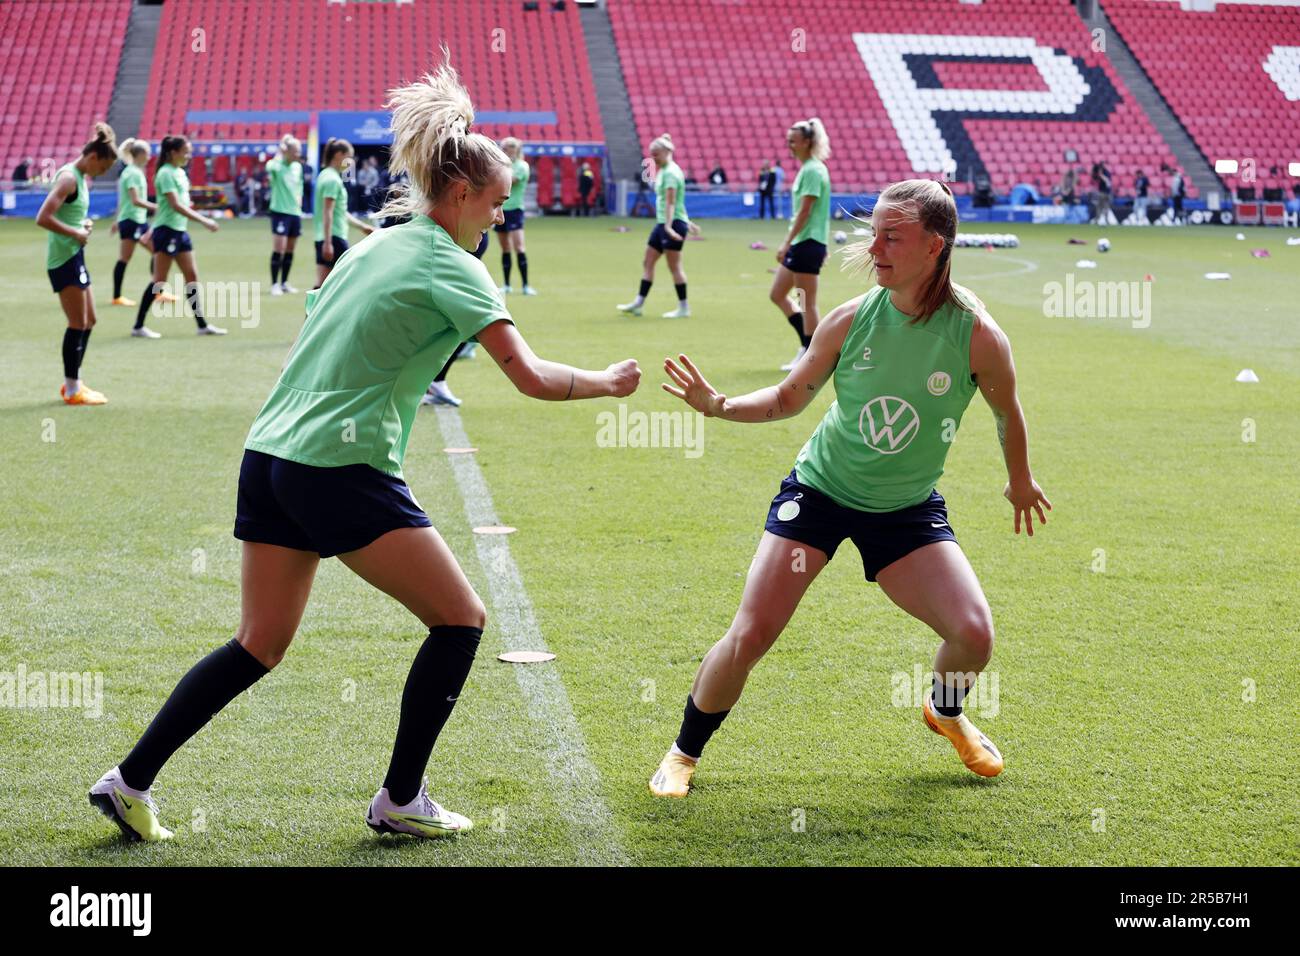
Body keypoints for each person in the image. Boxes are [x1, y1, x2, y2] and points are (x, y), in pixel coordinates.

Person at [89, 57, 641, 843]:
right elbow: (533, 378)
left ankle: (129, 778)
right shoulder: (457, 266)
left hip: (271, 457)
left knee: (258, 643)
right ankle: (401, 799)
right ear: (459, 193)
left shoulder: (369, 246)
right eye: (494, 202)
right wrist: (607, 382)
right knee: (461, 620)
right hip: (338, 469)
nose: (499, 216)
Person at [648, 178, 1052, 798]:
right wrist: (720, 404)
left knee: (973, 634)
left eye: (892, 236)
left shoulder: (976, 335)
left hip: (904, 511)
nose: (875, 248)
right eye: (874, 234)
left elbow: (1008, 411)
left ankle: (944, 712)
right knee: (753, 632)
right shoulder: (850, 320)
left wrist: (1019, 479)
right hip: (819, 494)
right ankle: (683, 752)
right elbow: (788, 398)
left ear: (934, 246)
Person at [34, 123, 119, 405]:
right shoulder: (69, 178)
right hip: (64, 259)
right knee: (77, 322)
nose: (103, 173)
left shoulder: (80, 178)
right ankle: (72, 389)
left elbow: (68, 215)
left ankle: (75, 382)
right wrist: (76, 233)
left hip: (74, 256)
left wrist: (81, 225)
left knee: (90, 319)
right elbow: (42, 217)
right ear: (94, 157)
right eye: (104, 168)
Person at [130, 134, 226, 338]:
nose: (188, 155)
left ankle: (202, 325)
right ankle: (138, 326)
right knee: (159, 281)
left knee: (191, 277)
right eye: (185, 151)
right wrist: (204, 220)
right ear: (173, 153)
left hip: (179, 232)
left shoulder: (179, 173)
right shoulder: (165, 174)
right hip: (167, 232)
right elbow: (175, 205)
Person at [616, 133, 699, 319]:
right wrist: (687, 221)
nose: (653, 158)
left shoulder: (670, 174)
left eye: (656, 154)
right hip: (665, 223)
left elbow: (671, 203)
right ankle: (638, 303)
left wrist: (671, 227)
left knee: (675, 267)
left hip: (671, 225)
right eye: (651, 154)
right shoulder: (665, 170)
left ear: (667, 151)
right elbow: (678, 203)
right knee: (648, 261)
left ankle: (684, 307)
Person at [771, 118, 832, 371]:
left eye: (793, 140)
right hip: (803, 243)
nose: (789, 144)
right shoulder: (809, 168)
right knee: (777, 294)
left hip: (806, 244)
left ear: (808, 142)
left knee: (807, 302)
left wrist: (786, 243)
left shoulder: (812, 170)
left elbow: (806, 211)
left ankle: (813, 356)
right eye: (788, 140)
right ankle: (806, 347)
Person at [312, 137, 375, 289]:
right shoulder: (332, 180)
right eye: (349, 156)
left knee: (321, 287)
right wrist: (328, 243)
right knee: (352, 280)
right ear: (339, 155)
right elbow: (328, 212)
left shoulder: (325, 175)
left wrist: (362, 227)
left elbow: (339, 211)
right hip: (334, 238)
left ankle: (313, 313)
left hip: (325, 237)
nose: (351, 161)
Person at [109, 137, 158, 307]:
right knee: (157, 251)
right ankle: (157, 292)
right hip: (134, 220)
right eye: (148, 153)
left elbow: (124, 201)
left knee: (125, 258)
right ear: (141, 154)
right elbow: (135, 200)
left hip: (132, 220)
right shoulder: (132, 173)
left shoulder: (132, 172)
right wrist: (159, 207)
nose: (150, 156)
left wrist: (117, 220)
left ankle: (117, 296)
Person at [496, 137, 535, 295]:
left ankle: (525, 285)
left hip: (515, 210)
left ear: (516, 150)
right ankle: (507, 285)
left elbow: (511, 181)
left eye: (510, 148)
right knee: (505, 248)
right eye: (505, 148)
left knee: (519, 247)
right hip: (500, 209)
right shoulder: (501, 167)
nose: (507, 151)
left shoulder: (521, 166)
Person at [266, 134, 305, 295]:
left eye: (299, 151)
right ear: (287, 151)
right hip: (280, 212)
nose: (298, 154)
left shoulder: (298, 167)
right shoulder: (275, 165)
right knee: (279, 249)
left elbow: (300, 185)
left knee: (290, 250)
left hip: (294, 212)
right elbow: (269, 166)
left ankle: (284, 283)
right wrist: (280, 149)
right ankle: (274, 284)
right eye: (295, 151)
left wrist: (299, 200)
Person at [1091, 160, 1112, 224]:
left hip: (1104, 192)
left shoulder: (1105, 173)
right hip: (1105, 192)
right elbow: (1094, 178)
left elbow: (1107, 181)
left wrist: (1101, 175)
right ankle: (1103, 220)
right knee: (1104, 206)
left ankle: (1101, 220)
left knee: (1101, 206)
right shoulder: (1105, 172)